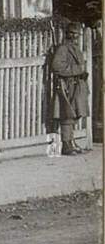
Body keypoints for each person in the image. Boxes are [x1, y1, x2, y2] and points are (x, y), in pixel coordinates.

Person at [47, 21, 89, 157]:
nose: (75, 36)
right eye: (72, 33)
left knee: (75, 114)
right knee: (67, 115)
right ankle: (66, 144)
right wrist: (77, 70)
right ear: (67, 34)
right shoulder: (63, 48)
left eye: (77, 34)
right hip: (68, 85)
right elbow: (56, 67)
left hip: (77, 84)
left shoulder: (75, 48)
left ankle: (71, 141)